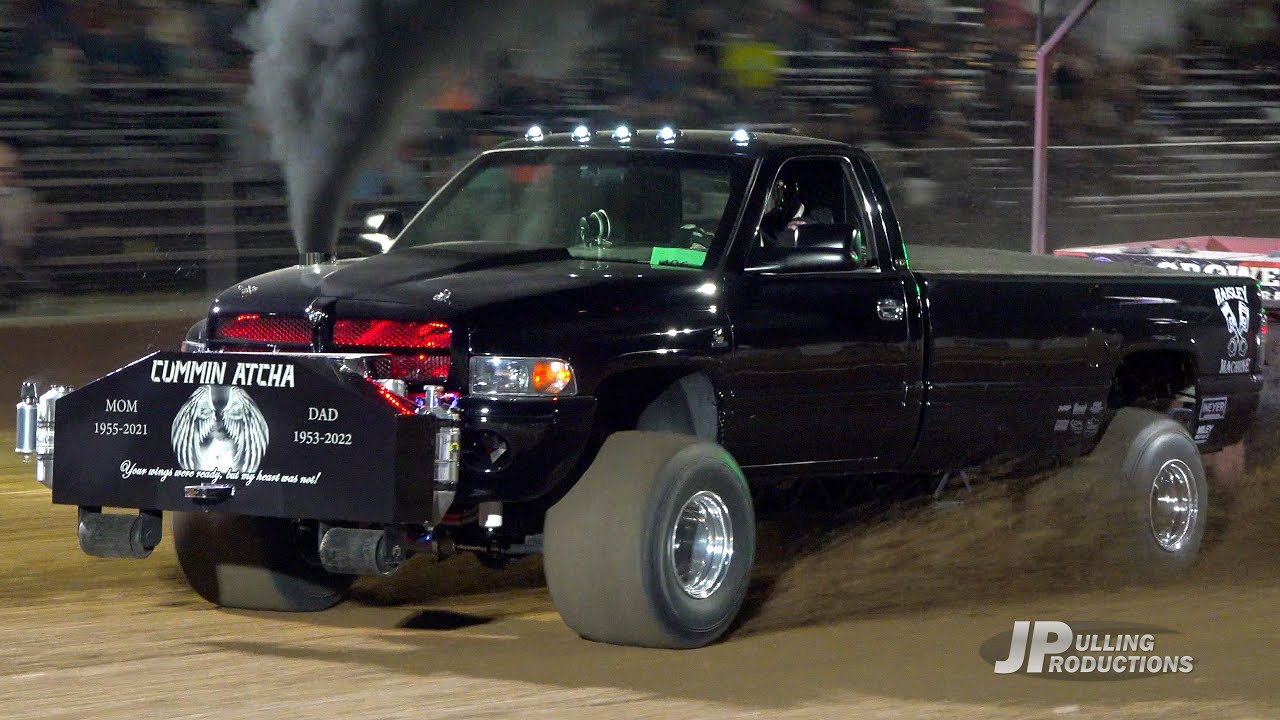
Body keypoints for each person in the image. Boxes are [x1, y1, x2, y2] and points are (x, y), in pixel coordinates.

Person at [0, 142, 37, 304]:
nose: (6, 174)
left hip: (14, 254)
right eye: (2, 169)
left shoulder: (23, 197)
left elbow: (23, 236)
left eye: (10, 169)